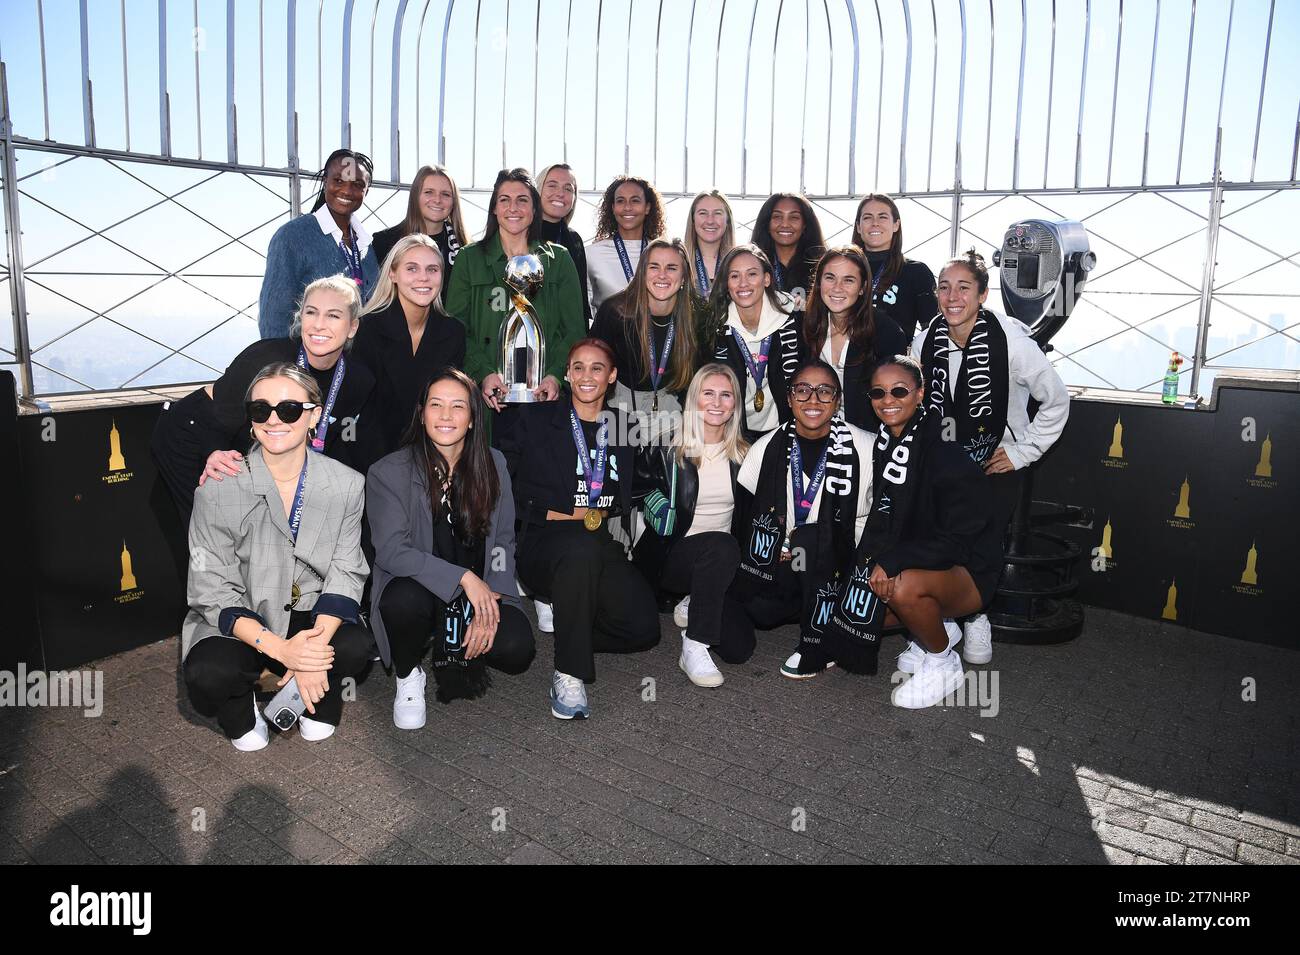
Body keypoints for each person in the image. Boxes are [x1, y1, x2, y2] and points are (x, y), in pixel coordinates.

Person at [182, 363, 372, 750]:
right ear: (250, 420)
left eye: (288, 409)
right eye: (260, 410)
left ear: (314, 415)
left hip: (311, 614)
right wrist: (283, 650)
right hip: (244, 616)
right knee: (209, 670)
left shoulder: (347, 485)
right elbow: (211, 590)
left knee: (355, 646)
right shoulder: (217, 488)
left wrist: (312, 651)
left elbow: (346, 571)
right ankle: (242, 707)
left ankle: (315, 693)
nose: (273, 420)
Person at [912, 250, 1070, 666]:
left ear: (982, 294)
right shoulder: (925, 338)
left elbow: (1056, 400)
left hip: (993, 461)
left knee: (982, 544)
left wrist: (1022, 452)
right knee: (939, 541)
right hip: (943, 463)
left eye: (964, 287)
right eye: (944, 287)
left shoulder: (1012, 342)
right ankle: (945, 619)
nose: (952, 297)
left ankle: (977, 616)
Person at [500, 339, 660, 719]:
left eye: (597, 368)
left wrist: (656, 499)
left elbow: (632, 485)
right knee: (580, 549)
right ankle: (568, 672)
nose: (587, 376)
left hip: (597, 540)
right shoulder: (537, 421)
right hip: (544, 539)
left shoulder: (623, 426)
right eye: (578, 367)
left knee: (643, 628)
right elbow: (506, 488)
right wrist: (566, 513)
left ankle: (572, 626)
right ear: (568, 374)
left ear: (612, 376)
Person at [366, 369, 535, 728]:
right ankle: (409, 674)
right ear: (421, 412)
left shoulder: (494, 464)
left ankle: (457, 634)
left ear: (473, 418)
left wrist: (493, 600)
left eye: (458, 406)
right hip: (419, 587)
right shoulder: (388, 471)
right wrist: (464, 579)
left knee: (516, 650)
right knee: (402, 603)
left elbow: (503, 540)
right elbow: (392, 552)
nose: (446, 416)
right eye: (436, 405)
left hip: (479, 585)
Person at [152, 275, 380, 531]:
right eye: (311, 312)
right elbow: (217, 418)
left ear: (352, 327)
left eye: (333, 316)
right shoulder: (266, 359)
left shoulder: (359, 380)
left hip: (258, 446)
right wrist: (213, 452)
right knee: (214, 531)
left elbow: (344, 433)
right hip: (196, 433)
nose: (318, 325)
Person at [855, 356, 1003, 708]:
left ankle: (942, 661)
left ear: (920, 394)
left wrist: (893, 561)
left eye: (899, 390)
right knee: (851, 610)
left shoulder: (941, 450)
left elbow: (957, 541)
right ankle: (937, 629)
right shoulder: (883, 445)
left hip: (968, 569)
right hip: (924, 561)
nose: (887, 400)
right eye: (878, 392)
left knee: (902, 588)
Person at [731, 360, 873, 678]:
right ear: (790, 398)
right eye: (803, 390)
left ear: (837, 400)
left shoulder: (866, 447)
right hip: (792, 559)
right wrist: (779, 545)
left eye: (824, 391)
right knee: (760, 610)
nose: (813, 400)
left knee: (812, 538)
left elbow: (884, 520)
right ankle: (814, 606)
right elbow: (746, 521)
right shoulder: (765, 449)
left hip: (849, 561)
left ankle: (820, 642)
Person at [633, 364, 754, 686]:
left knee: (739, 649)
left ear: (735, 404)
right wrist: (655, 504)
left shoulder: (748, 454)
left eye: (725, 395)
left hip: (722, 561)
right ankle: (694, 644)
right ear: (694, 400)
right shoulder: (666, 448)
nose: (717, 402)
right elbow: (634, 490)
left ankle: (699, 597)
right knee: (720, 544)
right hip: (673, 557)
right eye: (708, 393)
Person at [443, 167, 584, 411]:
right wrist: (483, 373)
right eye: (504, 200)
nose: (513, 208)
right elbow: (456, 329)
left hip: (545, 398)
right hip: (488, 399)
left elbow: (574, 330)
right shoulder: (469, 259)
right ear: (494, 208)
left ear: (534, 209)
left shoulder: (559, 260)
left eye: (522, 200)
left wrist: (556, 376)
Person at [354, 235, 467, 454]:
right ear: (392, 274)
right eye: (412, 269)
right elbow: (364, 410)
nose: (423, 278)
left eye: (432, 269)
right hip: (374, 458)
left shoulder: (454, 332)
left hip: (431, 456)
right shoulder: (367, 329)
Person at [258, 150, 379, 338]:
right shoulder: (292, 237)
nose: (347, 190)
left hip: (359, 364)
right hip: (306, 363)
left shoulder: (366, 247)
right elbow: (274, 320)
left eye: (357, 184)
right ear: (325, 181)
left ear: (367, 190)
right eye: (338, 181)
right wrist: (290, 367)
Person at [589, 237, 700, 420]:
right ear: (642, 273)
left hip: (673, 407)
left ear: (684, 277)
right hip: (619, 406)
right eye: (654, 267)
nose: (662, 275)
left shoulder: (695, 318)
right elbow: (592, 366)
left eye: (671, 268)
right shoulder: (615, 312)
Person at [802, 246, 907, 429]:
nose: (837, 288)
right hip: (816, 431)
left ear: (862, 288)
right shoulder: (805, 326)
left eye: (848, 280)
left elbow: (895, 401)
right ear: (819, 282)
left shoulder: (886, 332)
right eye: (830, 278)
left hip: (869, 437)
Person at [711, 244, 804, 442]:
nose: (743, 283)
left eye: (752, 274)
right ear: (727, 283)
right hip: (734, 433)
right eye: (735, 276)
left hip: (785, 430)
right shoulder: (715, 326)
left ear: (767, 279)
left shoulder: (794, 319)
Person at [852, 193, 938, 341]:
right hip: (843, 360)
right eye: (867, 217)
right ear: (858, 227)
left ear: (896, 225)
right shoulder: (843, 269)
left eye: (882, 217)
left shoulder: (916, 272)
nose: (875, 223)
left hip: (892, 361)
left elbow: (931, 330)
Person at [370, 165, 469, 287]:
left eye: (446, 194)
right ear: (415, 196)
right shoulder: (384, 242)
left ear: (454, 202)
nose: (437, 200)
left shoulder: (467, 249)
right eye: (429, 192)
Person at [585, 175, 667, 316]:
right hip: (607, 336)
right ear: (613, 208)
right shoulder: (591, 254)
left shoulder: (662, 253)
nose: (627, 207)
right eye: (620, 201)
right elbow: (586, 311)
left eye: (635, 200)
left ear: (647, 207)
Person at [750, 193, 825, 309]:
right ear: (767, 223)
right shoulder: (752, 265)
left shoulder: (822, 267)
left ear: (805, 224)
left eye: (794, 217)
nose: (785, 224)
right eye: (777, 217)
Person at [537, 163, 592, 321]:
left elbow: (581, 302)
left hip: (565, 338)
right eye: (552, 185)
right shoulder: (518, 234)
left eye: (568, 188)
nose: (560, 193)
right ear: (537, 189)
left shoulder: (574, 240)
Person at [683, 190, 736, 296]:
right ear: (693, 220)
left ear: (727, 221)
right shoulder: (679, 261)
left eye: (717, 213)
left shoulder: (739, 263)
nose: (710, 221)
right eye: (703, 213)